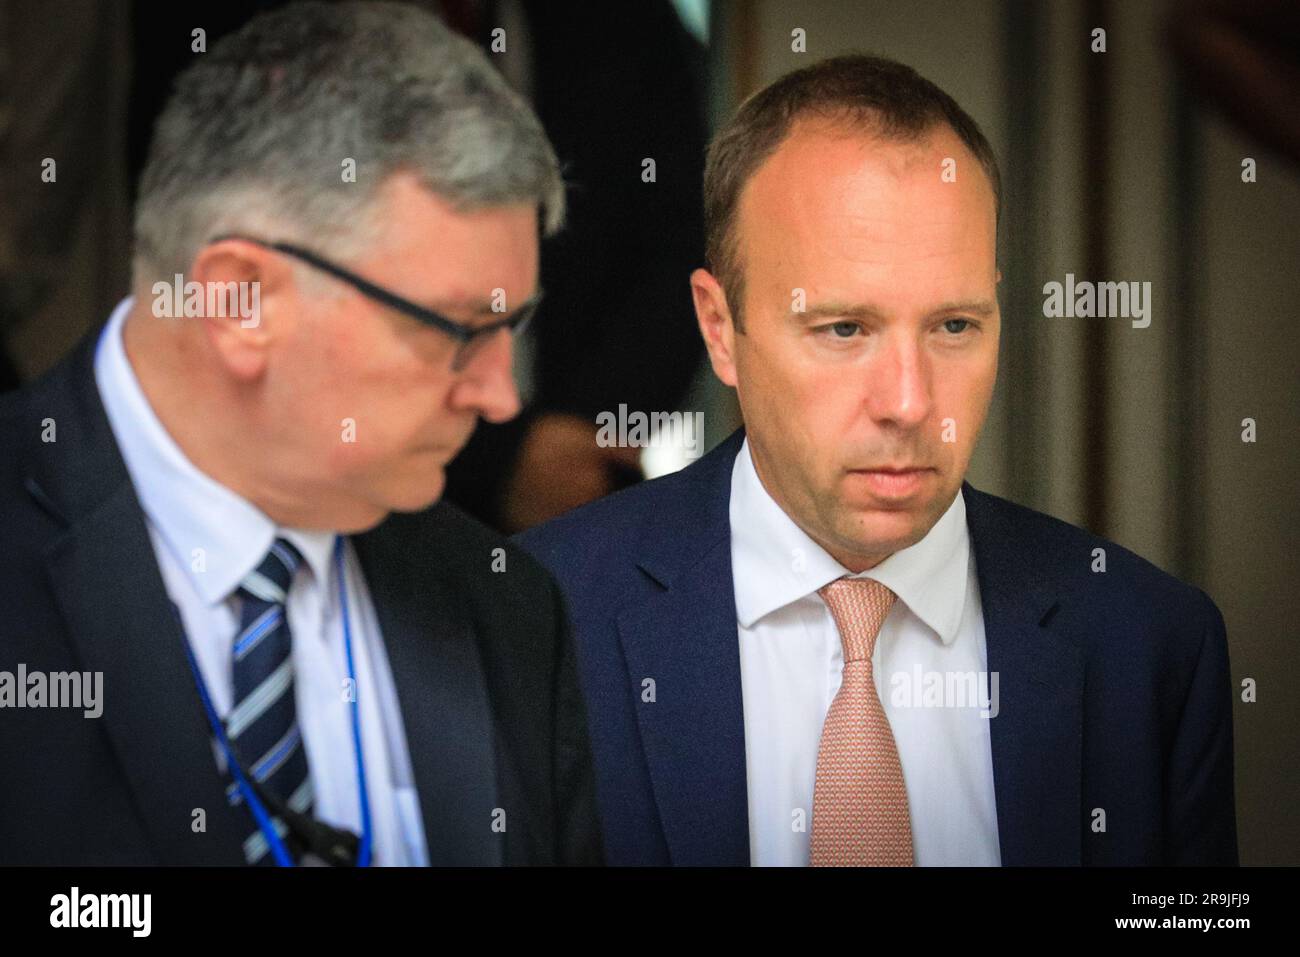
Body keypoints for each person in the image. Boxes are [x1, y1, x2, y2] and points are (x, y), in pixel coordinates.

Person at [518, 54, 1238, 866]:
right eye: (844, 329)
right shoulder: (534, 624)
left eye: (954, 326)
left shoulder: (1150, 647)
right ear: (720, 329)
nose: (908, 401)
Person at [0, 1, 600, 866]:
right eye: (458, 330)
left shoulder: (506, 609)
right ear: (238, 300)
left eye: (515, 326)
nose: (503, 398)